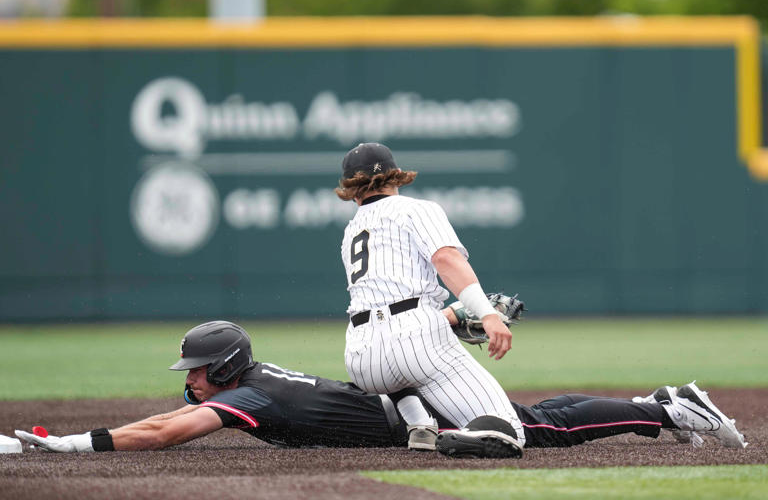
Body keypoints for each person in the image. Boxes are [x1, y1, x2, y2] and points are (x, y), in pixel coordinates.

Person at [14, 320, 746, 453]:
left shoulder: (250, 396)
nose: (191, 382)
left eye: (198, 371)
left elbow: (164, 433)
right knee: (537, 417)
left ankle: (663, 406)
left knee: (537, 429)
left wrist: (74, 444)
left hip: (406, 418)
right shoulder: (252, 386)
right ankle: (659, 405)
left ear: (228, 370)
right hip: (398, 406)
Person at [335, 142, 531, 458]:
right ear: (395, 177)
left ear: (351, 189)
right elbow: (446, 260)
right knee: (509, 432)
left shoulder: (351, 230)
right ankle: (452, 441)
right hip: (414, 341)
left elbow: (386, 304)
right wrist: (488, 315)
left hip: (362, 358)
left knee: (400, 367)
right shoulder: (416, 209)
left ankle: (419, 423)